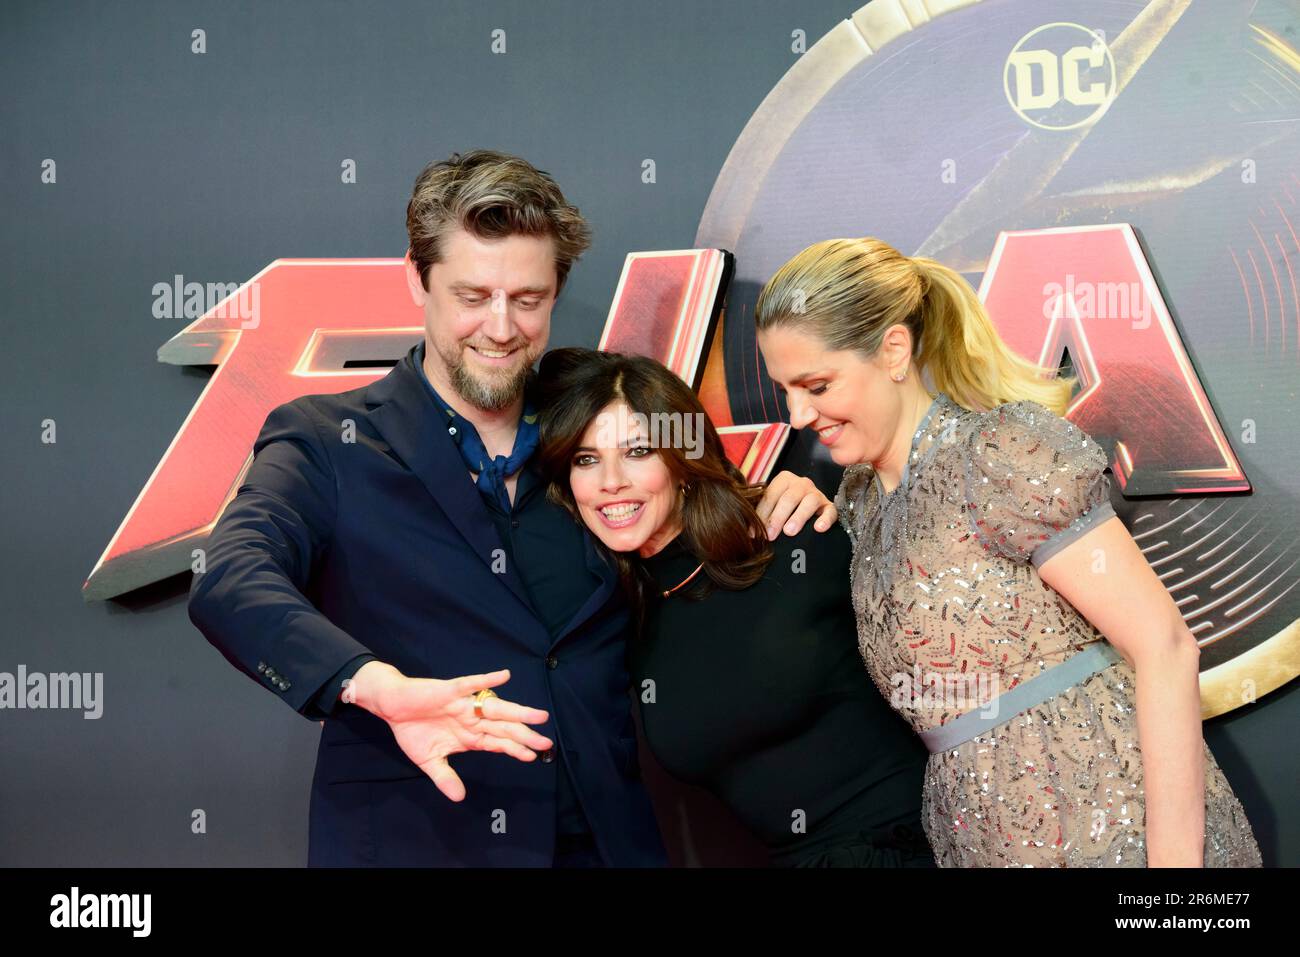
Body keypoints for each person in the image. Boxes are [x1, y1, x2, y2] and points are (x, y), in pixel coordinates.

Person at [187, 148, 834, 867]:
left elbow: (691, 518)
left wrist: (777, 496)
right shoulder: (326, 439)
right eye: (472, 296)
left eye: (527, 300)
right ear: (416, 278)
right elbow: (230, 579)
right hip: (421, 844)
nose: (500, 328)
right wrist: (378, 687)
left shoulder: (590, 439)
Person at [753, 236, 1264, 867]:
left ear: (892, 350)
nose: (798, 414)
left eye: (817, 385)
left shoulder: (994, 454)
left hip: (1110, 820)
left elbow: (1164, 646)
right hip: (976, 833)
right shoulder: (857, 497)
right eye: (785, 390)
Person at [533, 347, 936, 867]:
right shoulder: (618, 613)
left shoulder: (790, 537)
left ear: (682, 461)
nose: (611, 481)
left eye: (637, 451)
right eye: (586, 459)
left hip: (919, 845)